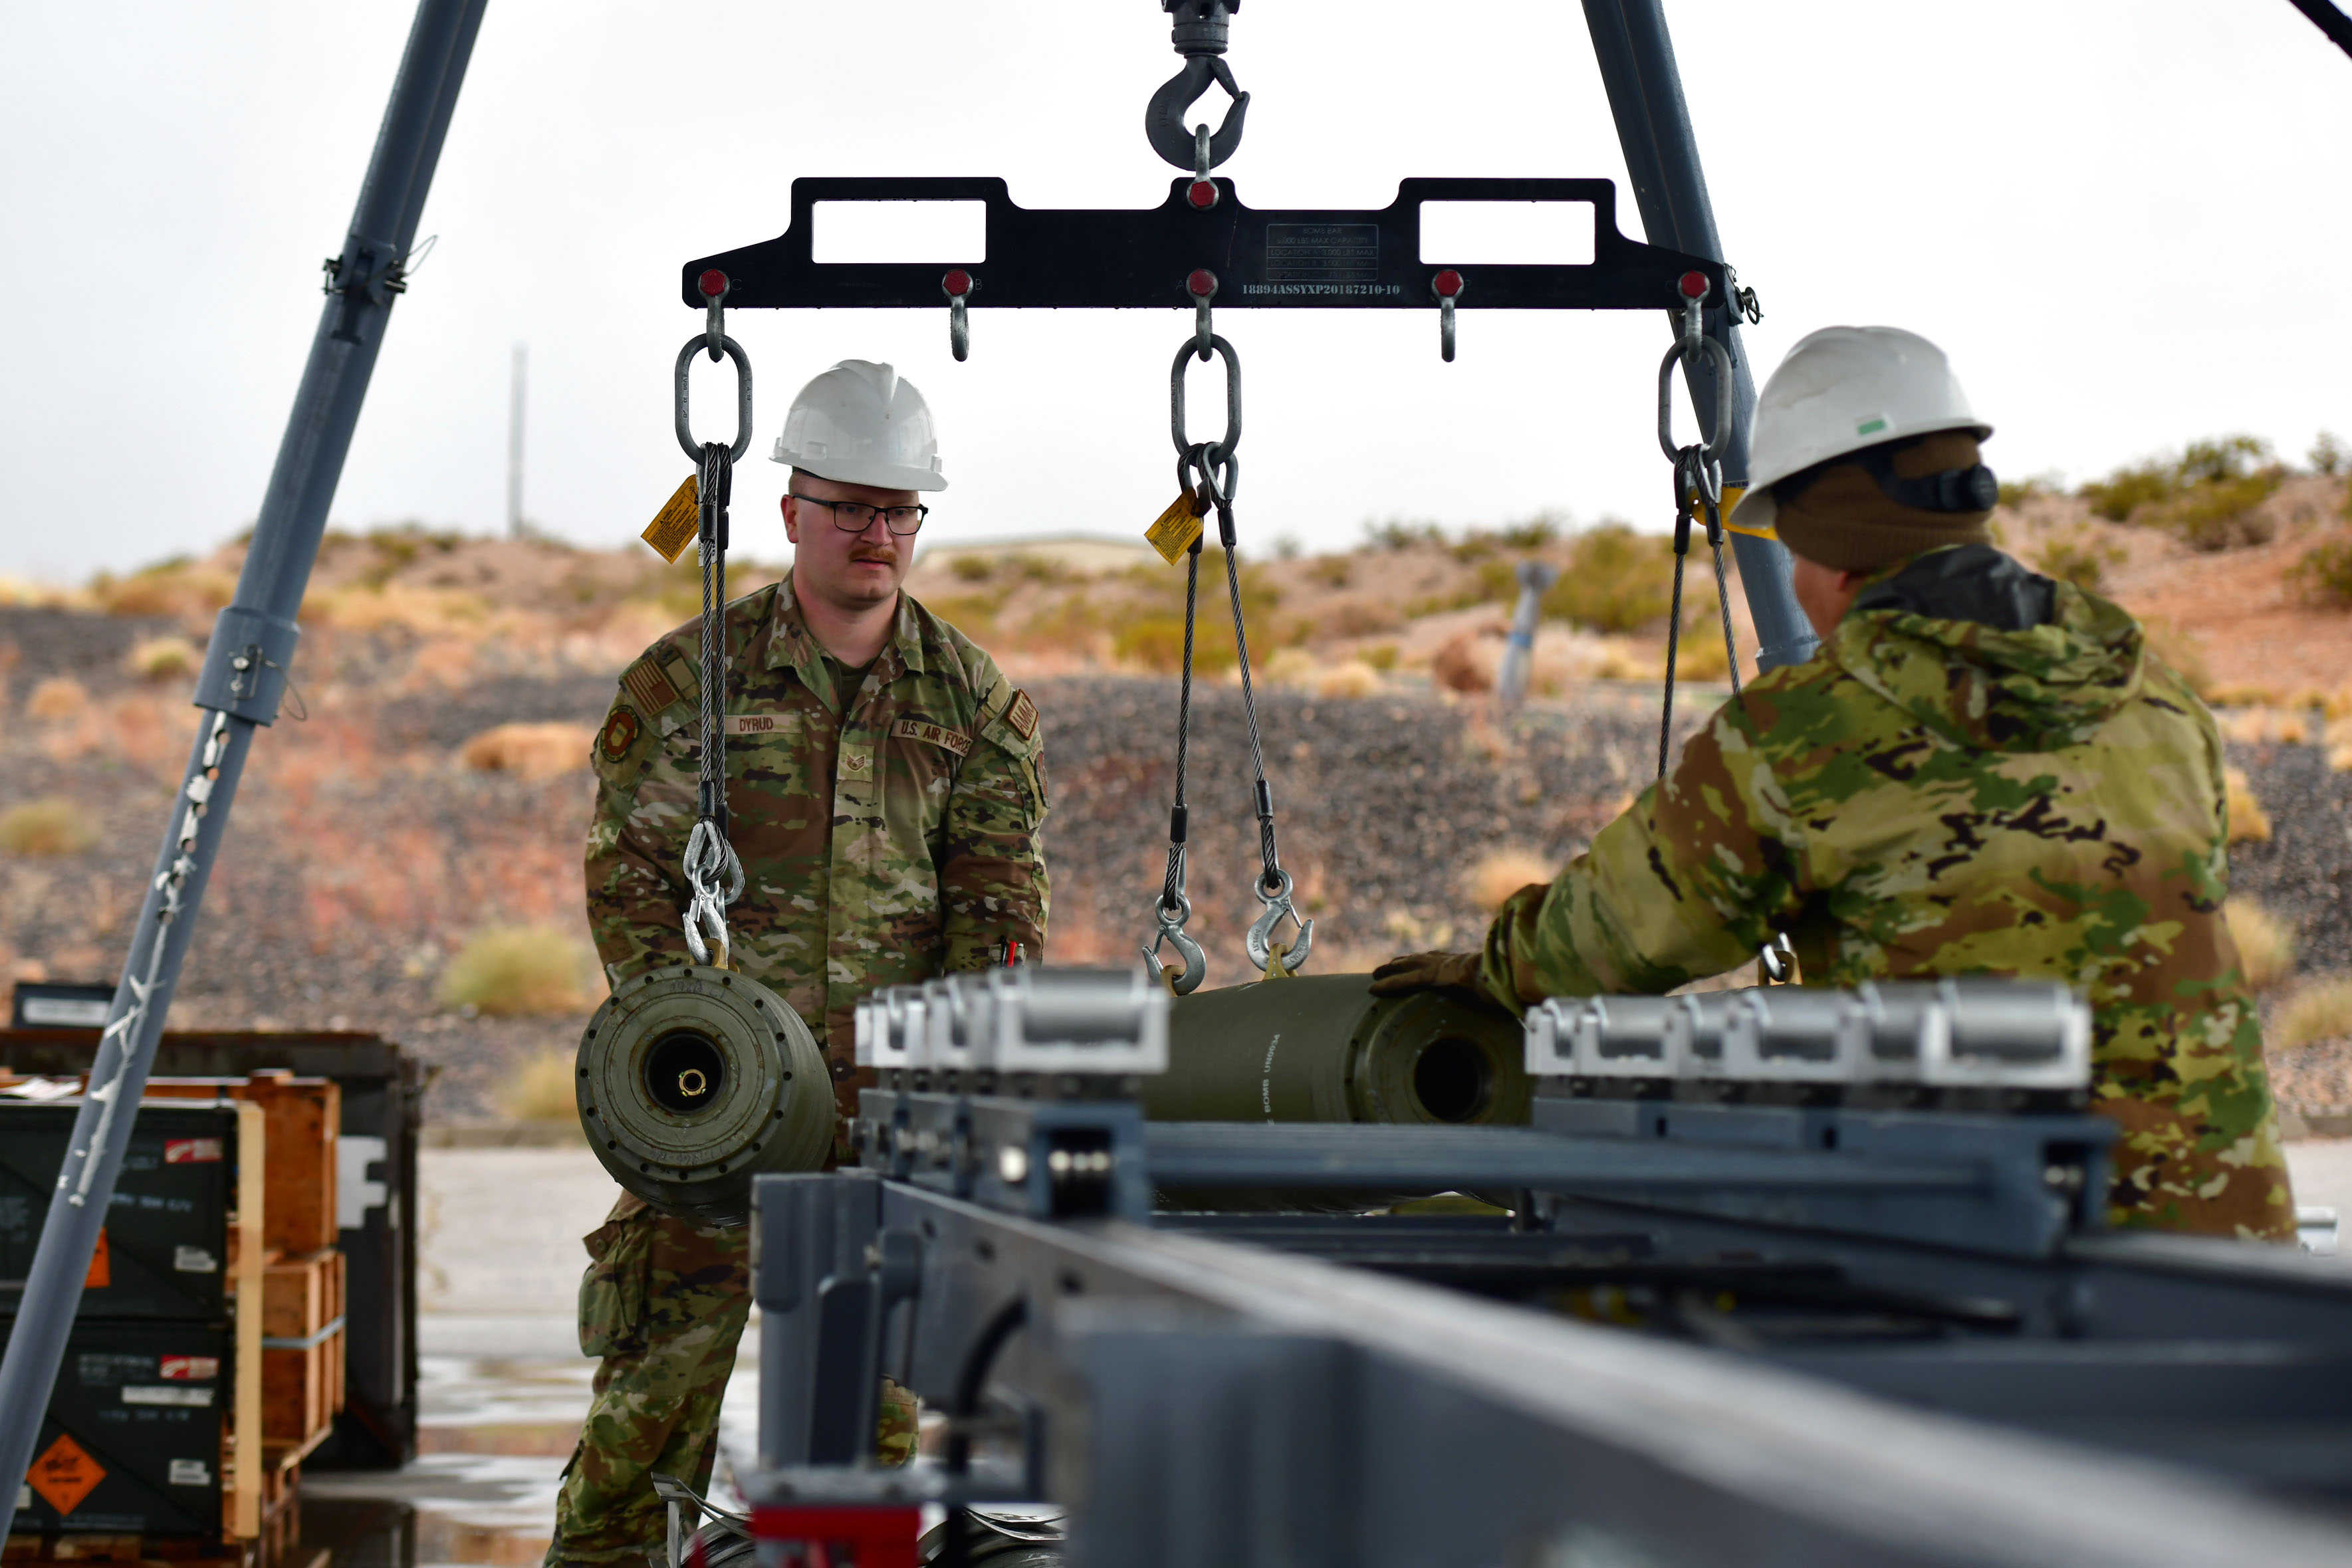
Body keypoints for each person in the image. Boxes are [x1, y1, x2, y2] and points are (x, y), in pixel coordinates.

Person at [1373, 325, 2294, 1241]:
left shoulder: (1801, 737)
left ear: (1835, 550)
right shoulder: (2155, 698)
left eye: (1792, 546)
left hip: (1992, 1259)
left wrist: (1483, 970)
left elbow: (1603, 943)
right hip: (2225, 1245)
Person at [552, 360, 1051, 1566]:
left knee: (859, 1458)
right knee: (644, 1425)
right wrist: (697, 1046)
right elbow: (629, 880)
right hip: (713, 1113)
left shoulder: (973, 703)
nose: (876, 535)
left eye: (899, 512)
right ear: (790, 511)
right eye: (849, 509)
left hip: (885, 1121)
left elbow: (997, 908)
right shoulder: (689, 685)